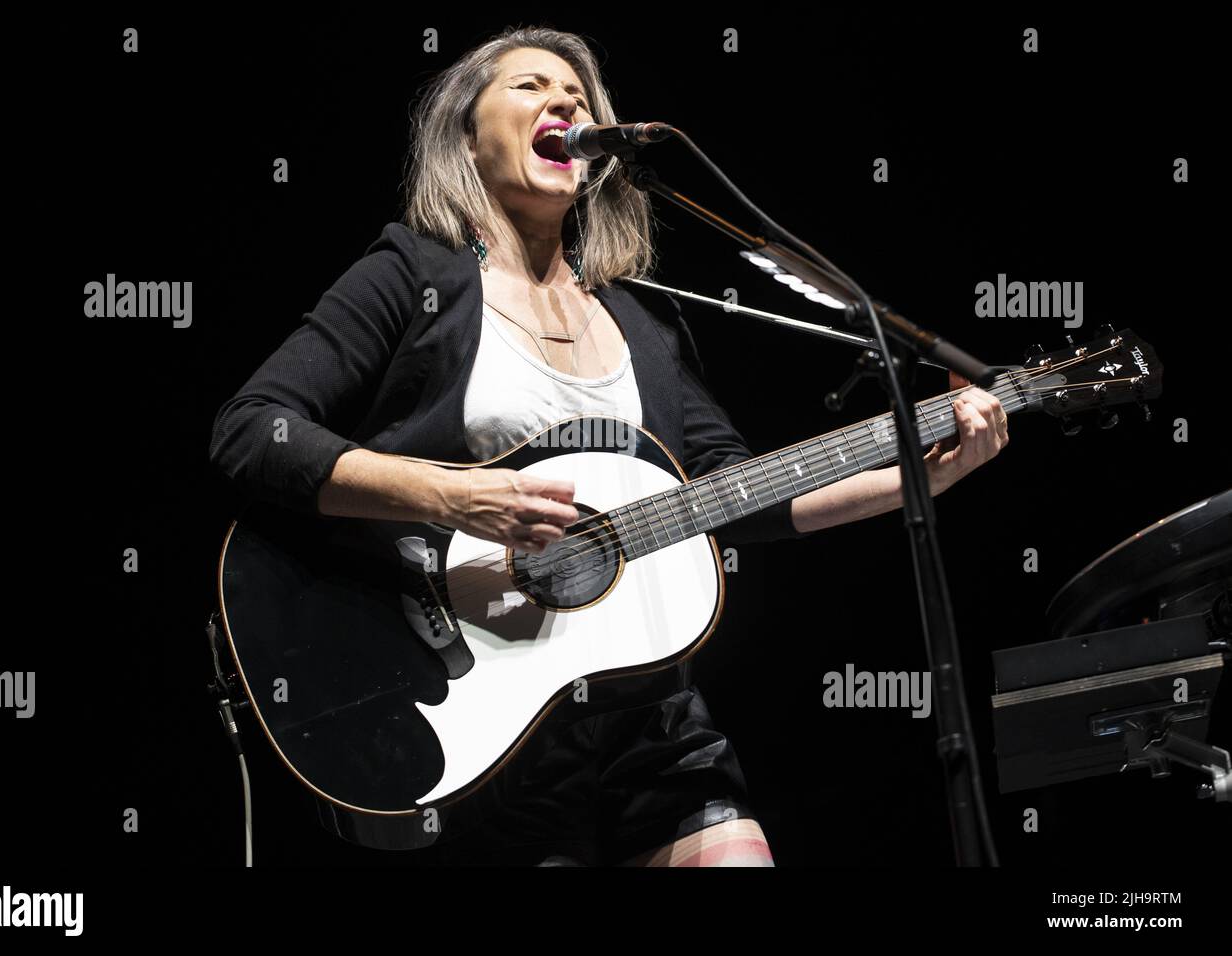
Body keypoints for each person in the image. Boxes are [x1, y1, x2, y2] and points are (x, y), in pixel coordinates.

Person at [208, 25, 1009, 867]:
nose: (565, 102)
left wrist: (920, 477)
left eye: (581, 97)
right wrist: (456, 496)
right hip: (478, 707)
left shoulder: (641, 322)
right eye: (529, 87)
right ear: (464, 140)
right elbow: (254, 428)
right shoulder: (415, 273)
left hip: (645, 709)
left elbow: (734, 496)